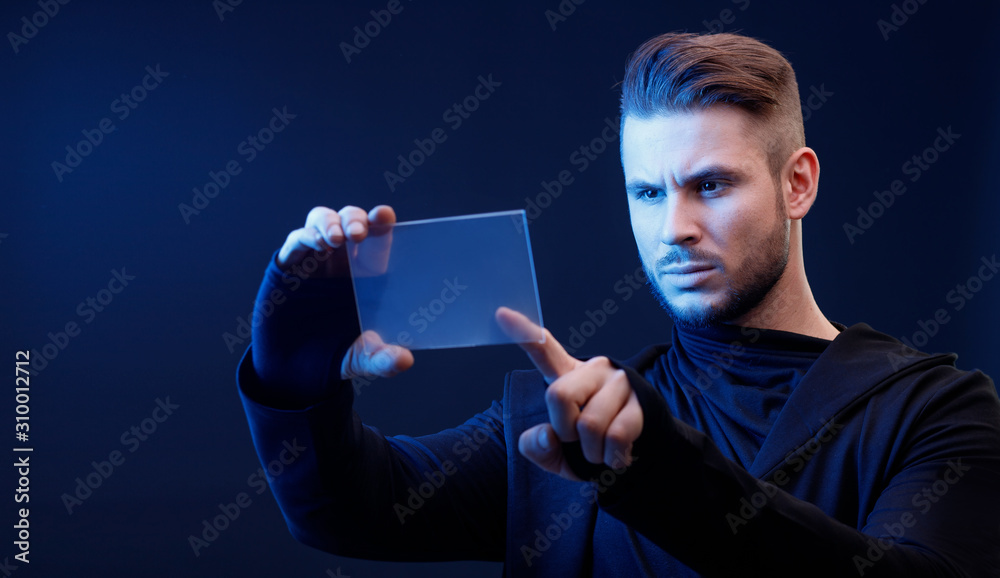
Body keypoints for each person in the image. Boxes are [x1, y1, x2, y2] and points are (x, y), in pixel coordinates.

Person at [236, 32, 1000, 576]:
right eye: (646, 191)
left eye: (711, 184)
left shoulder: (936, 410)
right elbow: (349, 512)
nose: (676, 228)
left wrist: (660, 474)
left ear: (797, 183)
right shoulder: (561, 424)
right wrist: (295, 377)